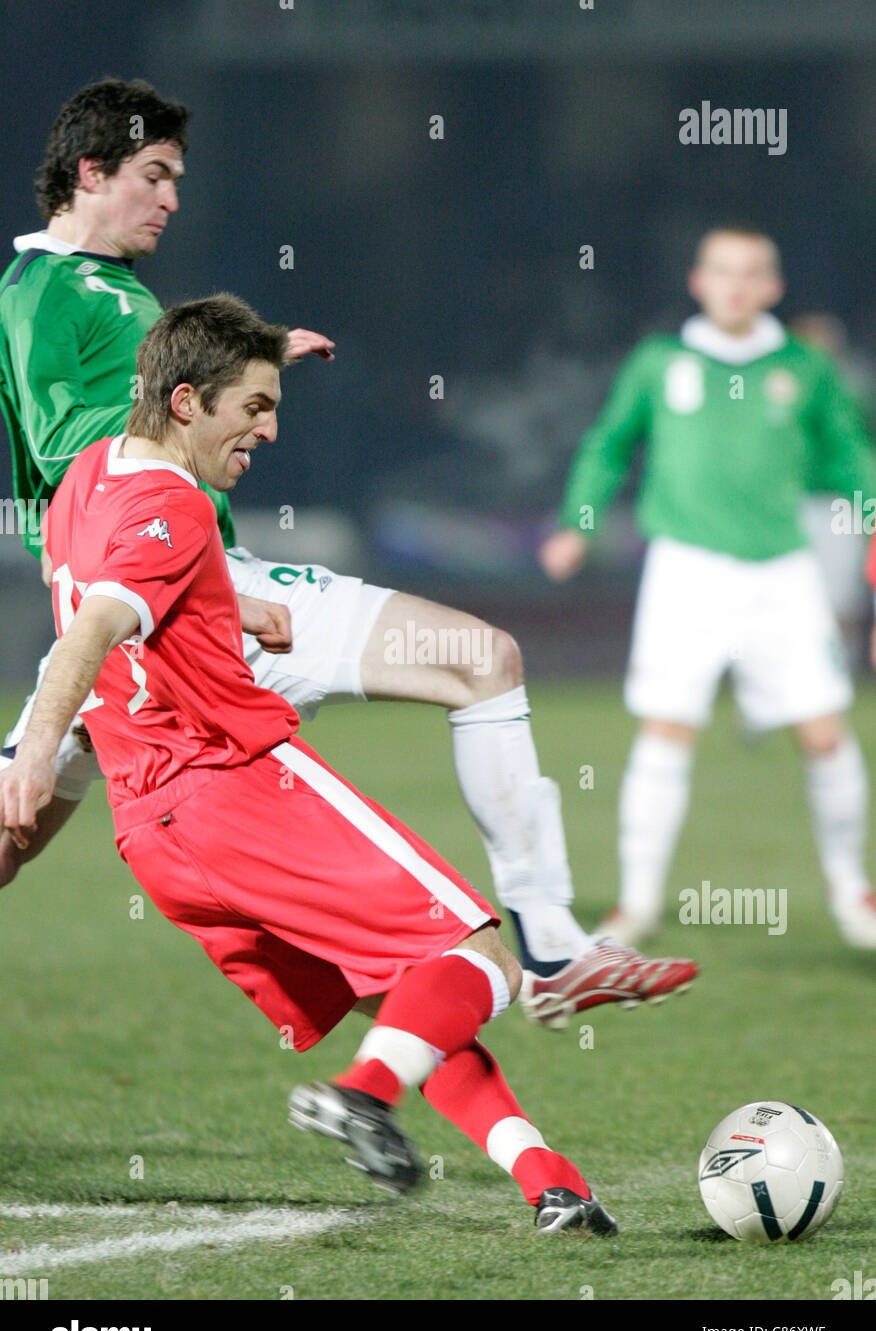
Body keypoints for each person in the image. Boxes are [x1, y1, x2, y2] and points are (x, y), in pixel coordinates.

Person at [0, 76, 697, 1022]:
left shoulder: (112, 288)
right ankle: (518, 974)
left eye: (177, 178)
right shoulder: (45, 287)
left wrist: (240, 370)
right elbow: (66, 452)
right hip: (148, 616)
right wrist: (217, 393)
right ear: (90, 172)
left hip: (183, 604)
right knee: (12, 834)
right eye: (155, 175)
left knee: (480, 659)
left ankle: (540, 960)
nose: (172, 198)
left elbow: (156, 421)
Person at [0, 293, 617, 1236]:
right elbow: (97, 621)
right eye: (253, 407)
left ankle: (550, 1179)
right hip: (238, 789)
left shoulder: (88, 478)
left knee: (400, 992)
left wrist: (228, 607)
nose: (270, 431)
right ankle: (363, 1097)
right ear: (184, 403)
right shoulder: (171, 505)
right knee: (480, 961)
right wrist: (36, 750)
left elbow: (112, 585)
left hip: (156, 839)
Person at [539, 226, 876, 950]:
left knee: (824, 732)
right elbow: (610, 440)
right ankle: (636, 906)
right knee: (667, 728)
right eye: (723, 271)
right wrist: (579, 523)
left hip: (783, 570)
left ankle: (854, 892)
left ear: (773, 287)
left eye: (752, 272)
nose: (736, 285)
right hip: (686, 571)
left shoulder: (804, 368)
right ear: (698, 280)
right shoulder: (661, 362)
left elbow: (853, 458)